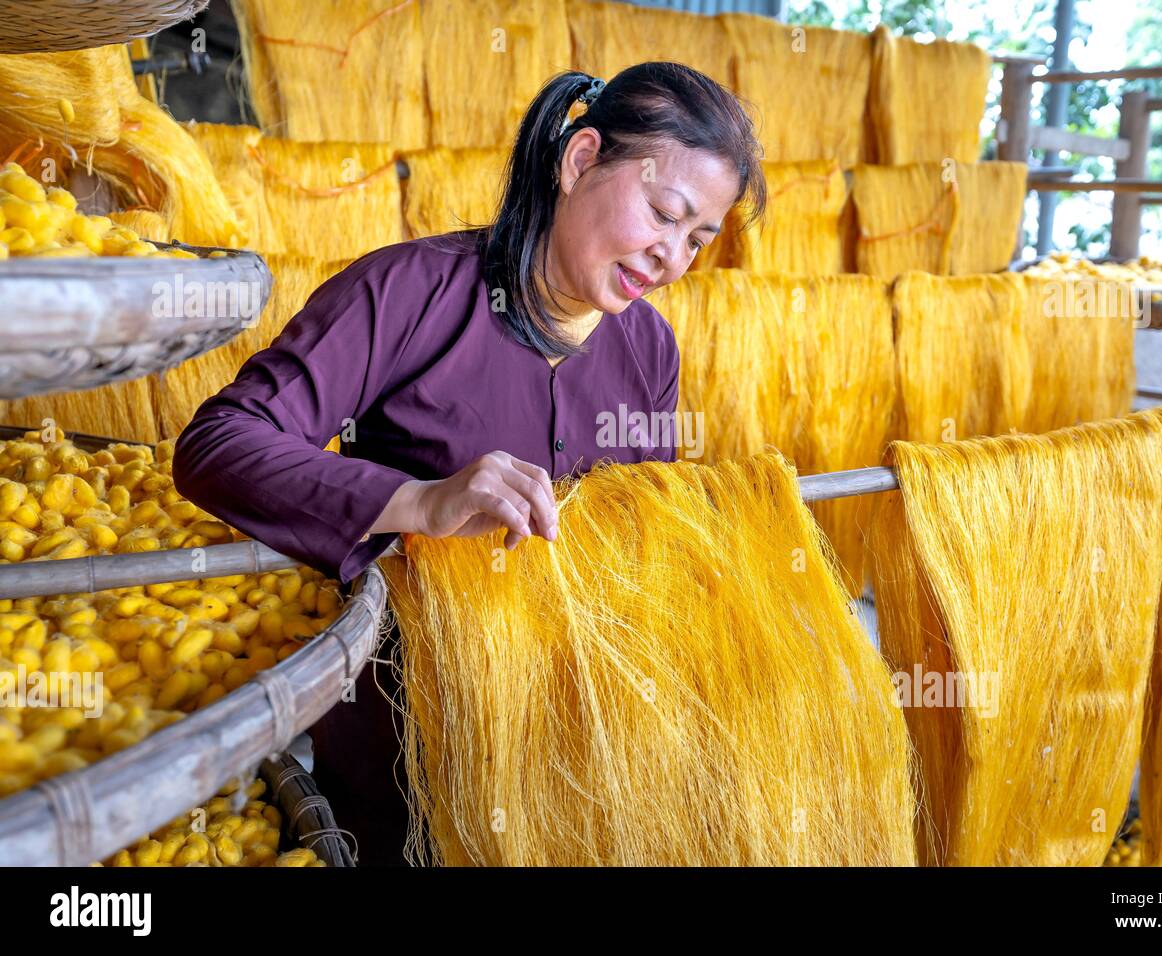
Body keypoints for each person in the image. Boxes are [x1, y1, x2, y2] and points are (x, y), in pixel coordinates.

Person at [171, 62, 767, 865]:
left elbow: (636, 539)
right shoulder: (407, 292)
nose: (671, 258)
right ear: (580, 160)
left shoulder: (649, 347)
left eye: (697, 239)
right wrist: (419, 501)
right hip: (399, 748)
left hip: (568, 754)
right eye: (664, 214)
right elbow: (221, 442)